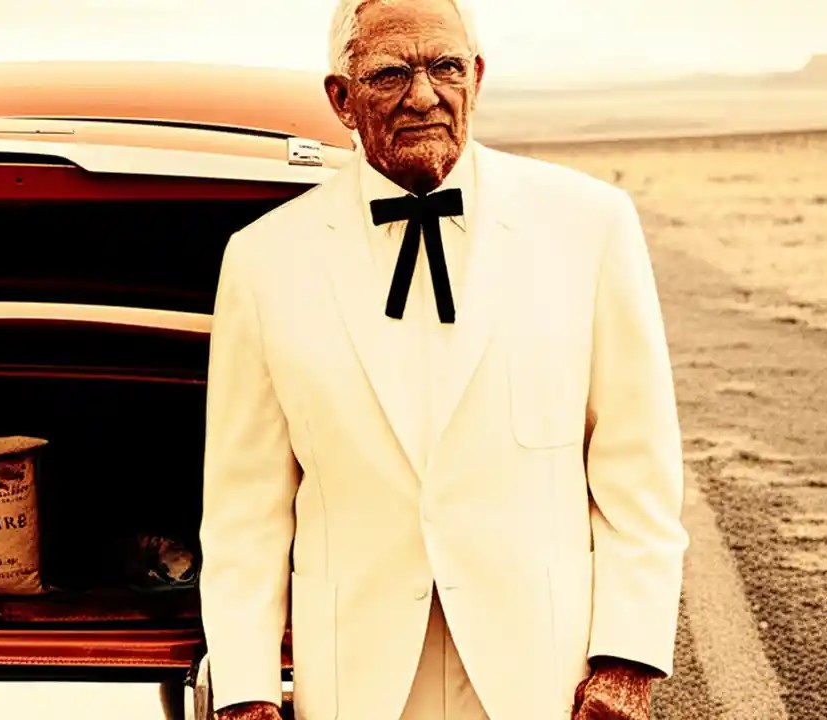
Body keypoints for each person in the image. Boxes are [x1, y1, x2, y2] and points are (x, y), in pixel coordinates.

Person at [196, 0, 690, 718]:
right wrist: (246, 692)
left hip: (544, 671)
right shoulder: (263, 260)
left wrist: (627, 662)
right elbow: (244, 508)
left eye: (446, 67)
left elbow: (636, 465)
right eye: (390, 74)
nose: (423, 96)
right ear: (341, 98)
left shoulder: (589, 226)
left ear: (477, 78)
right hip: (357, 681)